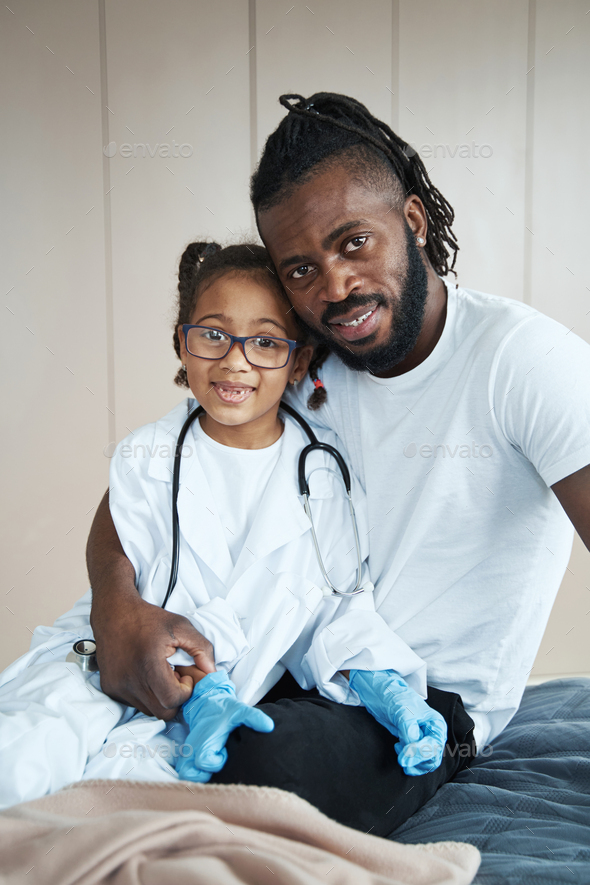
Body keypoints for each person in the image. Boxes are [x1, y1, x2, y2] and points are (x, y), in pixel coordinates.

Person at [87, 92, 590, 802]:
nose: (336, 287)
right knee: (81, 723)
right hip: (280, 655)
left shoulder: (524, 361)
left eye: (354, 243)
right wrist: (118, 613)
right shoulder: (299, 360)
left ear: (412, 222)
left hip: (419, 702)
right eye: (300, 269)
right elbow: (148, 476)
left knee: (259, 767)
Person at [0, 242, 470, 836]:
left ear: (298, 363)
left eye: (267, 342)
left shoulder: (324, 471)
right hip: (110, 659)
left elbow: (332, 604)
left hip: (207, 704)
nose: (235, 362)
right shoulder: (148, 457)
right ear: (182, 343)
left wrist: (381, 683)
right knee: (25, 749)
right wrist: (184, 671)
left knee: (123, 819)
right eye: (213, 336)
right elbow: (143, 589)